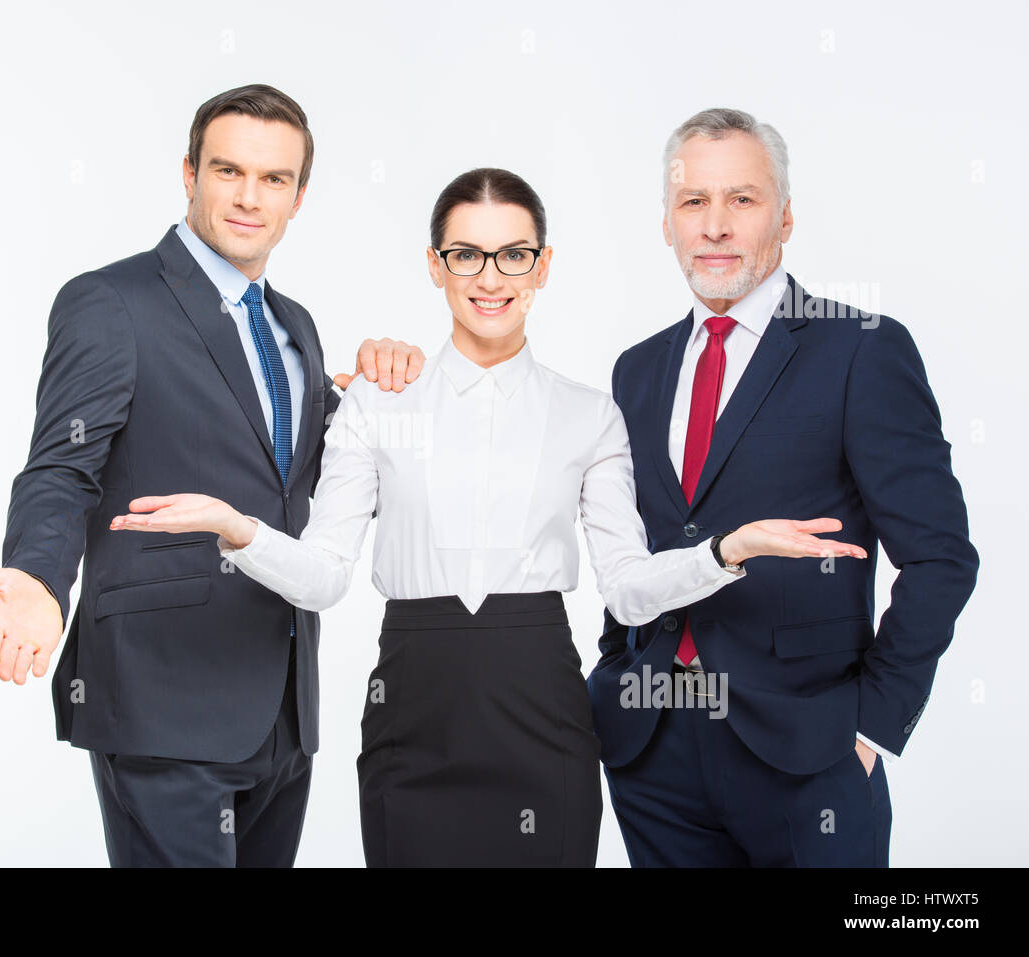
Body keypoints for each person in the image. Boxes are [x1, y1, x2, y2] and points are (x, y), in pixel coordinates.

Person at [110, 167, 867, 867]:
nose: (490, 277)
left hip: (542, 717)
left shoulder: (589, 415)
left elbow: (630, 590)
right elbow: (322, 578)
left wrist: (725, 552)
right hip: (412, 712)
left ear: (542, 267)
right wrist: (236, 528)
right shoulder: (378, 400)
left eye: (513, 255)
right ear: (436, 265)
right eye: (467, 254)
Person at [0, 84, 426, 867]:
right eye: (228, 171)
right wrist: (40, 574)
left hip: (282, 701)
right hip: (162, 695)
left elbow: (298, 475)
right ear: (189, 173)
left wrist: (381, 398)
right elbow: (62, 466)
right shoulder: (112, 302)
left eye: (274, 179)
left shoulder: (295, 325)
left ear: (298, 197)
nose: (249, 197)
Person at [586, 108, 979, 867]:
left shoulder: (861, 351)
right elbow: (631, 547)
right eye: (693, 202)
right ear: (666, 223)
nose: (716, 225)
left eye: (743, 199)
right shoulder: (637, 369)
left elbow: (940, 560)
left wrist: (870, 728)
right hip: (653, 747)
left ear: (786, 216)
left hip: (810, 754)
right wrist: (618, 665)